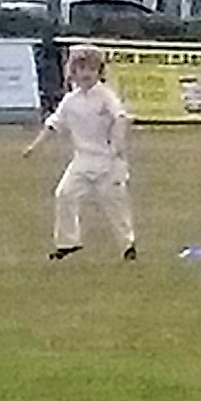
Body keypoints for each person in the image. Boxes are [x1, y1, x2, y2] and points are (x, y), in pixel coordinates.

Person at [23, 44, 137, 262]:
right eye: (80, 69)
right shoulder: (70, 100)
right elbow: (53, 124)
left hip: (108, 161)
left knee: (114, 204)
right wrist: (34, 147)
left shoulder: (105, 95)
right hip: (82, 160)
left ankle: (127, 245)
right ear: (72, 72)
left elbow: (121, 117)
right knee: (64, 194)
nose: (86, 74)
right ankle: (67, 243)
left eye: (91, 69)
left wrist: (118, 144)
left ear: (99, 72)